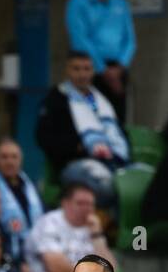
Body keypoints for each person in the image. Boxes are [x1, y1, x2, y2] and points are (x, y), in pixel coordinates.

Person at [35, 51, 130, 204]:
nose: (82, 74)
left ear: (93, 71)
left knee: (141, 180)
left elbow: (119, 131)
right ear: (67, 70)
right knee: (110, 188)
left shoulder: (100, 99)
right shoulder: (57, 98)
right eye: (76, 69)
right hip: (74, 164)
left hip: (113, 161)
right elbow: (43, 137)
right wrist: (77, 147)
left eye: (86, 69)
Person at [65, 0, 136, 122]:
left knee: (117, 118)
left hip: (118, 70)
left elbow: (130, 40)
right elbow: (80, 39)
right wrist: (103, 70)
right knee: (91, 117)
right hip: (90, 70)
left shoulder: (121, 4)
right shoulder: (78, 3)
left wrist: (120, 67)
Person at [24, 182, 114, 272]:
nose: (86, 209)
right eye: (80, 203)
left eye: (90, 204)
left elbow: (111, 270)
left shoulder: (90, 228)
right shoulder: (49, 223)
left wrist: (97, 235)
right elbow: (55, 267)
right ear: (65, 203)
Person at [0, 138, 42, 272]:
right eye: (4, 157)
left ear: (20, 160)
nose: (10, 162)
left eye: (14, 157)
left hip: (37, 249)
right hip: (8, 252)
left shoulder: (29, 186)